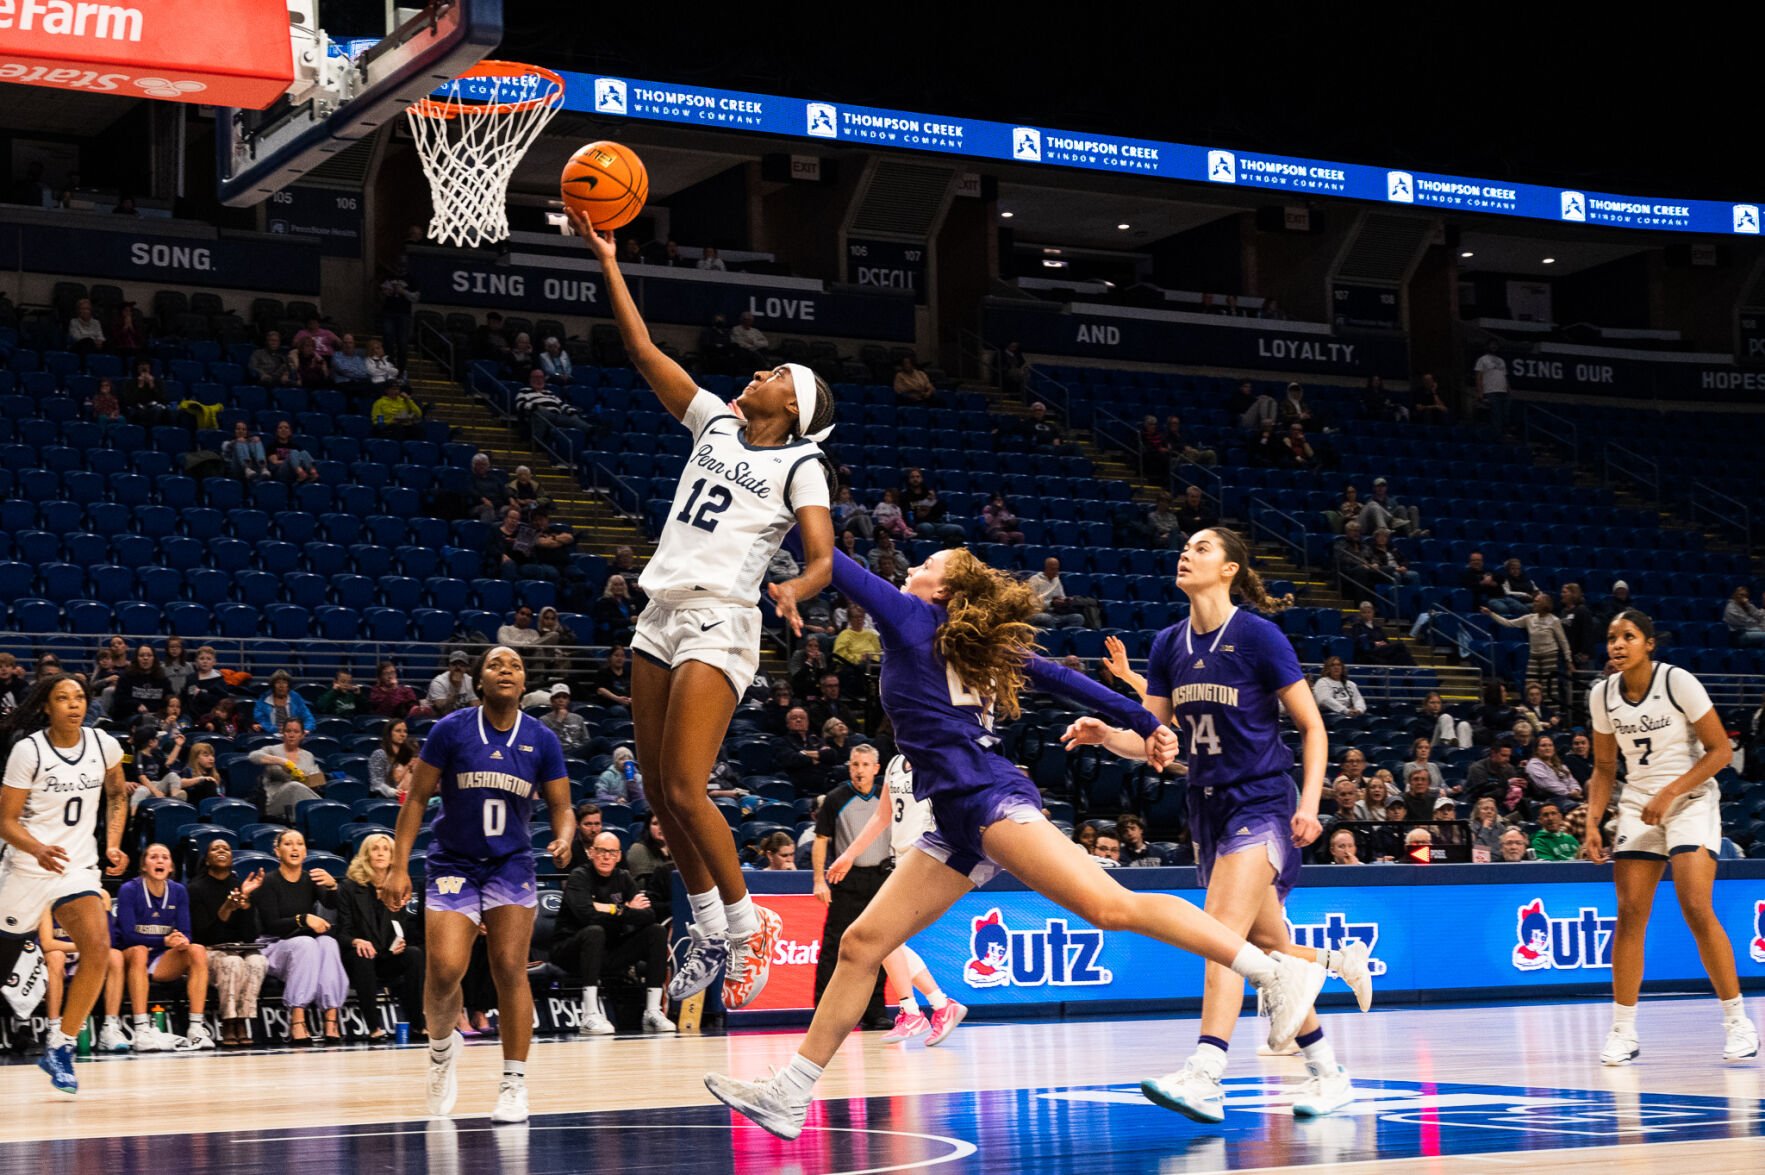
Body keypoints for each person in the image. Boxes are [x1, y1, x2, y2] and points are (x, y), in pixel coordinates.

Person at [704, 542, 1327, 1139]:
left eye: (926, 564)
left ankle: (1272, 974)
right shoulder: (972, 642)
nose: (912, 568)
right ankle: (790, 1094)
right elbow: (1066, 680)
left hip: (986, 798)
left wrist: (782, 496)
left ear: (943, 590)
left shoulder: (913, 616)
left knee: (1111, 906)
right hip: (955, 815)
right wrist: (1143, 721)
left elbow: (835, 563)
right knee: (862, 944)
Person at [571, 208, 837, 1016]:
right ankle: (712, 926)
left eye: (775, 373)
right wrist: (607, 260)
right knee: (657, 792)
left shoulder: (803, 460)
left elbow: (822, 556)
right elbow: (642, 351)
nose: (758, 372)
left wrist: (794, 590)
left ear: (793, 406)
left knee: (686, 786)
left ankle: (750, 924)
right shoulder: (716, 420)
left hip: (722, 617)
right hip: (659, 611)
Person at [1068, 526, 1370, 1122]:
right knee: (1264, 947)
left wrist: (1309, 803)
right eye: (1185, 547)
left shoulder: (1258, 636)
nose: (1187, 553)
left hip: (1262, 800)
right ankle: (1329, 1071)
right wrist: (1107, 736)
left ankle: (1206, 1072)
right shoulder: (1167, 644)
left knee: (1219, 933)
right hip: (1206, 807)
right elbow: (1154, 739)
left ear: (1230, 568)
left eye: (1202, 548)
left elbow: (1312, 726)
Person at [382, 646, 573, 1124]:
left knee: (509, 967)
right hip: (454, 860)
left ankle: (514, 1084)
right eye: (495, 664)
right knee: (445, 968)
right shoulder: (451, 730)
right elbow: (416, 799)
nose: (506, 670)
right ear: (479, 681)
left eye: (515, 666)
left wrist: (565, 837)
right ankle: (441, 1051)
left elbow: (561, 807)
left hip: (510, 863)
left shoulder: (542, 739)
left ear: (524, 683)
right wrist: (398, 866)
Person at [1581, 609, 1759, 1065]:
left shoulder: (1677, 681)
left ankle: (1738, 1021)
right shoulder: (1602, 694)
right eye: (1612, 637)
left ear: (1649, 643)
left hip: (1690, 797)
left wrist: (1671, 792)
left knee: (1695, 905)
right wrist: (1592, 822)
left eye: (1628, 636)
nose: (1617, 644)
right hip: (1640, 802)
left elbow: (1721, 751)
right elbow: (1604, 767)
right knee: (1629, 913)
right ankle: (1623, 1030)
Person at [0, 675, 128, 1093]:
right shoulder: (29, 750)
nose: (74, 705)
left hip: (76, 866)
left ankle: (61, 1046)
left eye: (79, 698)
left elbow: (117, 794)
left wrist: (112, 844)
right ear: (46, 706)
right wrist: (37, 849)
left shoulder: (103, 744)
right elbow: (5, 821)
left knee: (98, 946)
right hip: (26, 866)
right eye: (62, 698)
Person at [551, 830, 674, 1035]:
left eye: (612, 852)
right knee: (594, 931)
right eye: (601, 851)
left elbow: (648, 914)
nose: (606, 857)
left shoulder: (623, 877)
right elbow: (587, 916)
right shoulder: (579, 877)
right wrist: (625, 909)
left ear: (618, 856)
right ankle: (589, 1014)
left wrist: (610, 909)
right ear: (591, 852)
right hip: (570, 951)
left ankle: (652, 1011)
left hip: (608, 950)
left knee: (656, 931)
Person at [810, 745, 893, 1029]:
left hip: (883, 878)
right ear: (849, 767)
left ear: (876, 769)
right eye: (855, 764)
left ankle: (875, 1011)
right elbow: (821, 839)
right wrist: (819, 880)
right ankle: (824, 1011)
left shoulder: (886, 797)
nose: (859, 770)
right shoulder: (835, 798)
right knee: (835, 946)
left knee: (880, 948)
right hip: (846, 880)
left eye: (865, 765)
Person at [255, 829, 349, 1045]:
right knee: (306, 943)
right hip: (273, 946)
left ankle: (331, 1019)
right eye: (288, 844)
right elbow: (272, 925)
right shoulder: (269, 881)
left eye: (299, 843)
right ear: (277, 851)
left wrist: (332, 886)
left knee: (328, 943)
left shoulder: (310, 879)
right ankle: (297, 1018)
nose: (295, 848)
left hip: (305, 948)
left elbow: (332, 904)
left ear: (305, 852)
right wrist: (303, 919)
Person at [114, 843, 212, 1050]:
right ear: (144, 866)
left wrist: (181, 941)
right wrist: (164, 941)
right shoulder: (129, 890)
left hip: (161, 960)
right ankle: (141, 1030)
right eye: (154, 857)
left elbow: (186, 932)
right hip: (129, 957)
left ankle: (196, 1029)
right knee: (140, 951)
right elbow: (128, 936)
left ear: (171, 867)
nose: (160, 860)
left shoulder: (178, 891)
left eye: (165, 857)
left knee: (197, 950)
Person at [336, 833, 424, 1043]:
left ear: (393, 857)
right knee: (363, 957)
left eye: (386, 849)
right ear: (366, 855)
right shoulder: (349, 887)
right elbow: (342, 932)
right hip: (359, 955)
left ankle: (418, 1025)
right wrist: (356, 941)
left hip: (387, 955)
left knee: (414, 954)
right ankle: (373, 1026)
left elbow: (400, 928)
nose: (380, 853)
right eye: (375, 849)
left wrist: (400, 943)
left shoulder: (397, 889)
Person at [186, 838, 267, 1047]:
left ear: (232, 858)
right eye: (215, 848)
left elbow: (250, 936)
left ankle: (243, 1019)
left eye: (226, 848)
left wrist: (246, 905)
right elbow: (202, 935)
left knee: (257, 961)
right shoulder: (195, 888)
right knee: (233, 962)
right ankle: (229, 1021)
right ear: (206, 860)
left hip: (237, 948)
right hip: (208, 952)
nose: (221, 850)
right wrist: (226, 909)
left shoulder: (240, 888)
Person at [1483, 593, 1572, 703]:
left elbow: (1563, 641)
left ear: (1545, 604)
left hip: (1550, 655)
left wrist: (1568, 659)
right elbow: (1508, 623)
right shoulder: (1529, 618)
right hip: (1534, 655)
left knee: (1549, 686)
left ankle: (1552, 711)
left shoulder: (1554, 620)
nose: (1534, 603)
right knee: (1530, 685)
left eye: (1537, 601)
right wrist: (1491, 614)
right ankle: (1531, 708)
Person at [247, 718, 327, 820]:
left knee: (299, 788)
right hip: (274, 801)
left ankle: (321, 814)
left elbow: (312, 782)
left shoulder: (308, 755)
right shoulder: (272, 750)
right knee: (294, 786)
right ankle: (322, 814)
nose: (291, 735)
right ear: (282, 733)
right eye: (288, 731)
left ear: (302, 735)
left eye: (296, 732)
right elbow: (253, 756)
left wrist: (314, 780)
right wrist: (282, 762)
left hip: (301, 799)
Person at [369, 718, 418, 800]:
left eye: (405, 731)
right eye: (398, 731)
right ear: (389, 734)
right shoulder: (379, 754)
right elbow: (376, 783)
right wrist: (393, 792)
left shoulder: (408, 755)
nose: (403, 734)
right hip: (383, 799)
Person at [1473, 340, 1511, 437]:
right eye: (1492, 345)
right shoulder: (1482, 359)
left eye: (1495, 345)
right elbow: (1478, 376)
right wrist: (1480, 392)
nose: (1494, 346)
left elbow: (1505, 376)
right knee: (1496, 415)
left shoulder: (1501, 360)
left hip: (1503, 391)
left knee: (1505, 414)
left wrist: (1508, 389)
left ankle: (1504, 433)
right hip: (1491, 391)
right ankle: (1497, 436)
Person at [426, 650, 480, 716]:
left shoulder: (470, 681)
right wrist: (456, 689)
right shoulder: (438, 682)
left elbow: (475, 707)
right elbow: (442, 710)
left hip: (462, 717)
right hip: (440, 718)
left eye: (462, 665)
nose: (458, 668)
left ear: (466, 668)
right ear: (449, 666)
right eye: (454, 664)